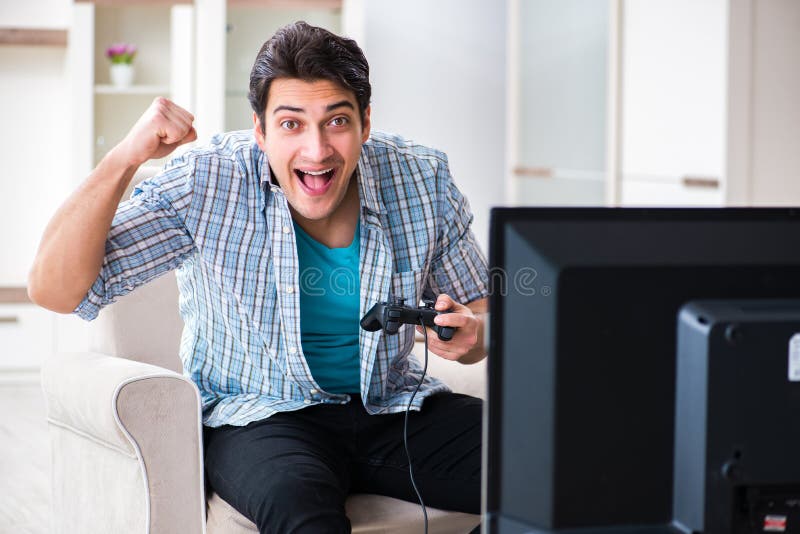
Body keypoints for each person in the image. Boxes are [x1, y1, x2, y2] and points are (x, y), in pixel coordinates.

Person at [29, 21, 488, 533]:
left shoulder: (421, 178)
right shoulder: (208, 181)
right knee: (302, 514)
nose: (317, 150)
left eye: (337, 120)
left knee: (552, 463)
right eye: (291, 124)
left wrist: (471, 334)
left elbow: (479, 315)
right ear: (260, 130)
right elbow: (55, 290)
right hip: (259, 418)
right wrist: (124, 158)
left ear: (365, 123)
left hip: (391, 407)